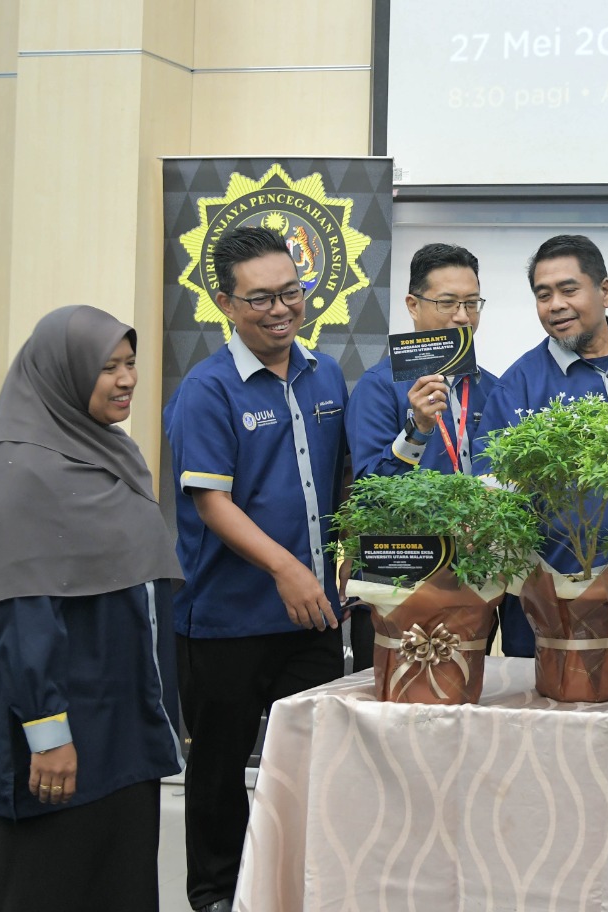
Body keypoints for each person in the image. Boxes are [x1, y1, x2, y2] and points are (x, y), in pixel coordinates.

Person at [164, 226, 349, 912]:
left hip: (313, 617)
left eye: (292, 292)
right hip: (226, 620)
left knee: (314, 762)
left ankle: (299, 886)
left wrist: (340, 552)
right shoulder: (206, 390)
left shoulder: (325, 373)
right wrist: (286, 569)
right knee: (217, 772)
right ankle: (216, 896)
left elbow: (340, 479)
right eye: (261, 297)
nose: (280, 309)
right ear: (225, 303)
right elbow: (211, 501)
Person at [0, 305, 185, 911]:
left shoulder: (107, 455)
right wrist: (48, 736)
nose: (126, 379)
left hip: (122, 729)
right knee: (51, 885)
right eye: (106, 368)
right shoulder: (21, 477)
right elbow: (22, 619)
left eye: (130, 364)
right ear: (61, 375)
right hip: (63, 736)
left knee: (117, 884)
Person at [344, 243, 533, 665]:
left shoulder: (494, 388)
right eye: (447, 303)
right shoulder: (379, 386)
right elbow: (369, 494)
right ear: (413, 305)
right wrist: (418, 429)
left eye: (472, 303)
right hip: (400, 581)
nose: (463, 316)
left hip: (472, 584)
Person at [473, 234, 608, 573]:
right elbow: (492, 495)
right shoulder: (519, 386)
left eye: (569, 290)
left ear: (605, 291)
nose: (555, 304)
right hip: (573, 589)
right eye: (543, 295)